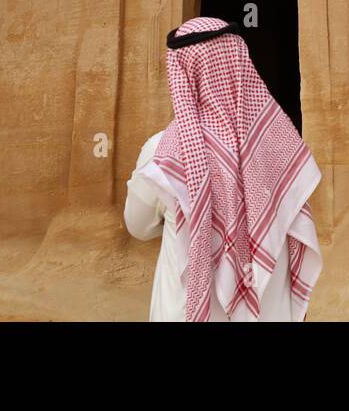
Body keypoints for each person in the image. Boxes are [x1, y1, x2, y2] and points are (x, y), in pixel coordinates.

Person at [123, 16, 322, 321]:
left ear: (181, 73)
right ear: (239, 63)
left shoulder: (164, 152)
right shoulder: (281, 144)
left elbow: (138, 226)